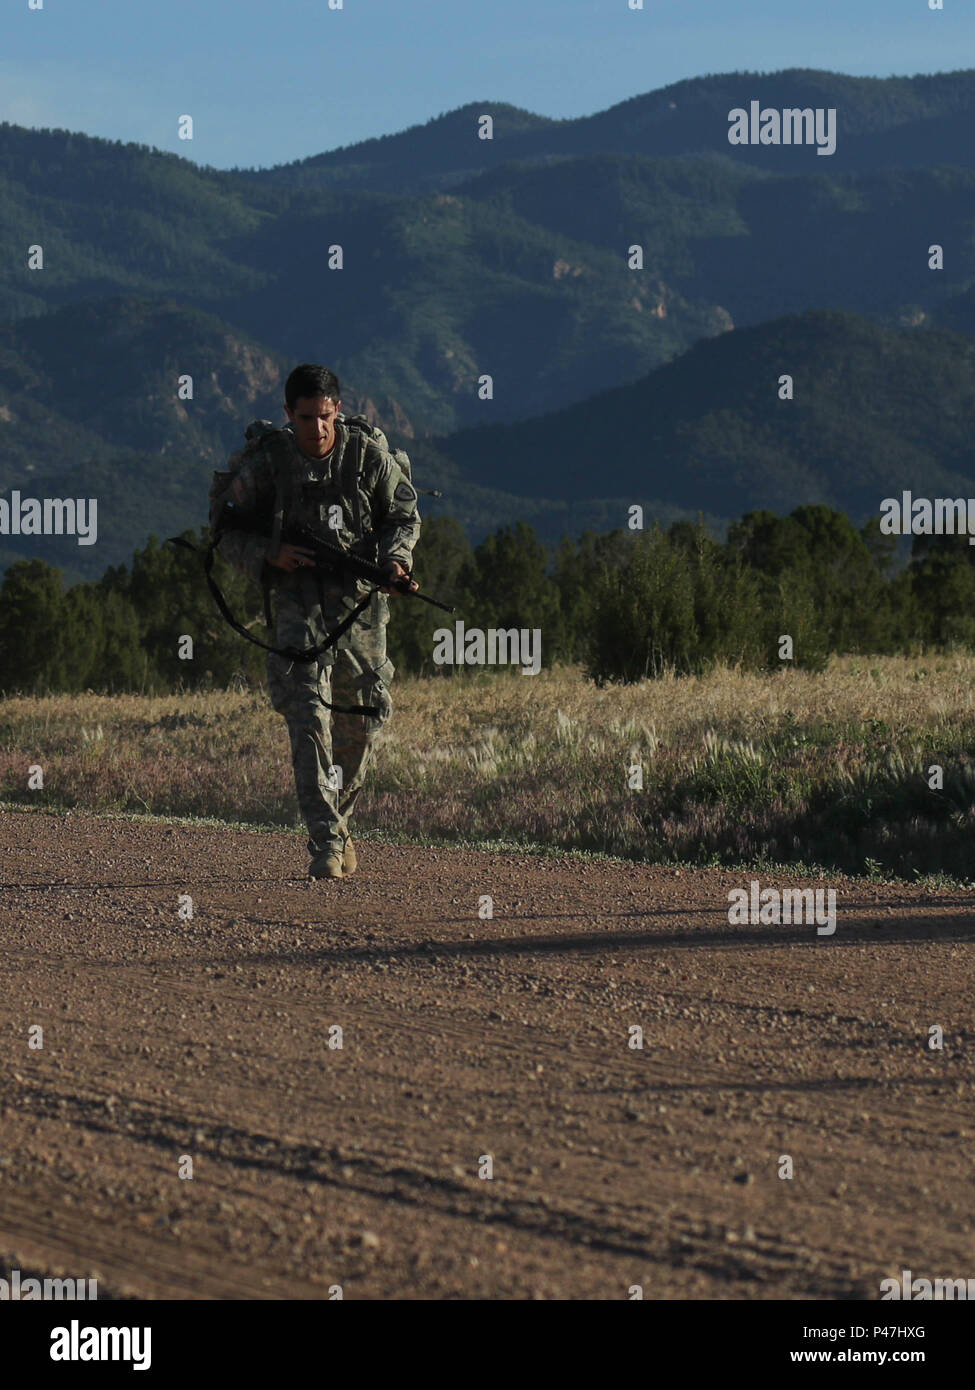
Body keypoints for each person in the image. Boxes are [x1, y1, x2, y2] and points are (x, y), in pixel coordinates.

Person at [212, 363, 420, 880]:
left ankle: (340, 822)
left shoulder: (366, 455)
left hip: (358, 605)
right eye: (306, 418)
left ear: (338, 412)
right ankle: (325, 842)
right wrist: (268, 555)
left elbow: (403, 514)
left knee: (363, 724)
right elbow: (223, 527)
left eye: (326, 417)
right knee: (308, 718)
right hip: (296, 602)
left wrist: (396, 563)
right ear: (290, 414)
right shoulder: (270, 463)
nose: (317, 428)